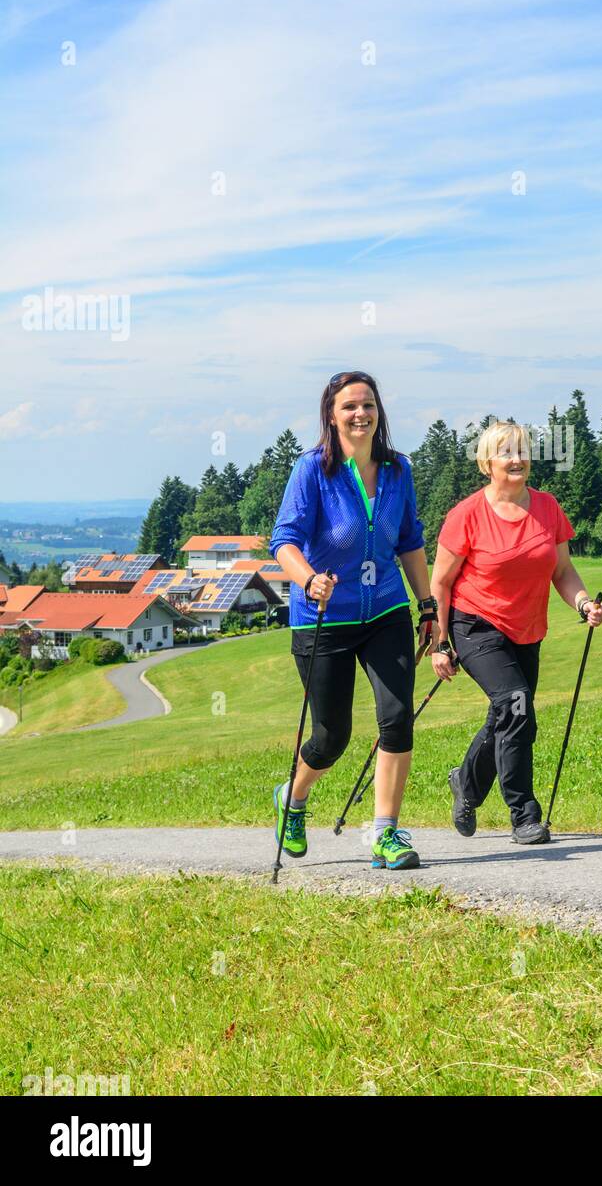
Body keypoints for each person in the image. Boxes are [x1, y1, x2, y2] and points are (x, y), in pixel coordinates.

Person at [269, 370, 437, 871]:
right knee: (331, 736)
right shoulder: (311, 471)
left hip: (385, 610)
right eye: (349, 407)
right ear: (331, 415)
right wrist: (307, 580)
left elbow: (409, 540)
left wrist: (427, 606)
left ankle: (386, 833)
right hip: (323, 616)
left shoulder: (398, 470)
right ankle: (292, 799)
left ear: (378, 411)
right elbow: (284, 540)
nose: (360, 414)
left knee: (396, 717)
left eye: (367, 405)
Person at [430, 421, 602, 844]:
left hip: (527, 629)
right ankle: (524, 814)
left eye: (522, 451)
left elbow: (562, 570)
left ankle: (466, 784)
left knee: (509, 714)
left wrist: (584, 603)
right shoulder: (467, 514)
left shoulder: (547, 507)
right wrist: (440, 642)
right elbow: (440, 582)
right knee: (517, 706)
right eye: (506, 452)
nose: (516, 459)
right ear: (487, 463)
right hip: (474, 623)